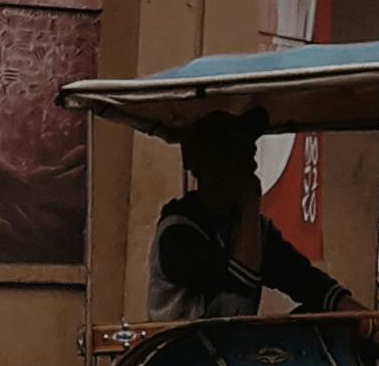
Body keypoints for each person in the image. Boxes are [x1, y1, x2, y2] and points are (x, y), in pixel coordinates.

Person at [145, 118, 349, 322]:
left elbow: (301, 278)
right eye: (238, 158)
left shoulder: (254, 229)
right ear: (211, 169)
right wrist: (250, 205)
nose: (252, 165)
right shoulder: (177, 233)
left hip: (234, 349)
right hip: (182, 348)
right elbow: (240, 281)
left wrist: (350, 308)